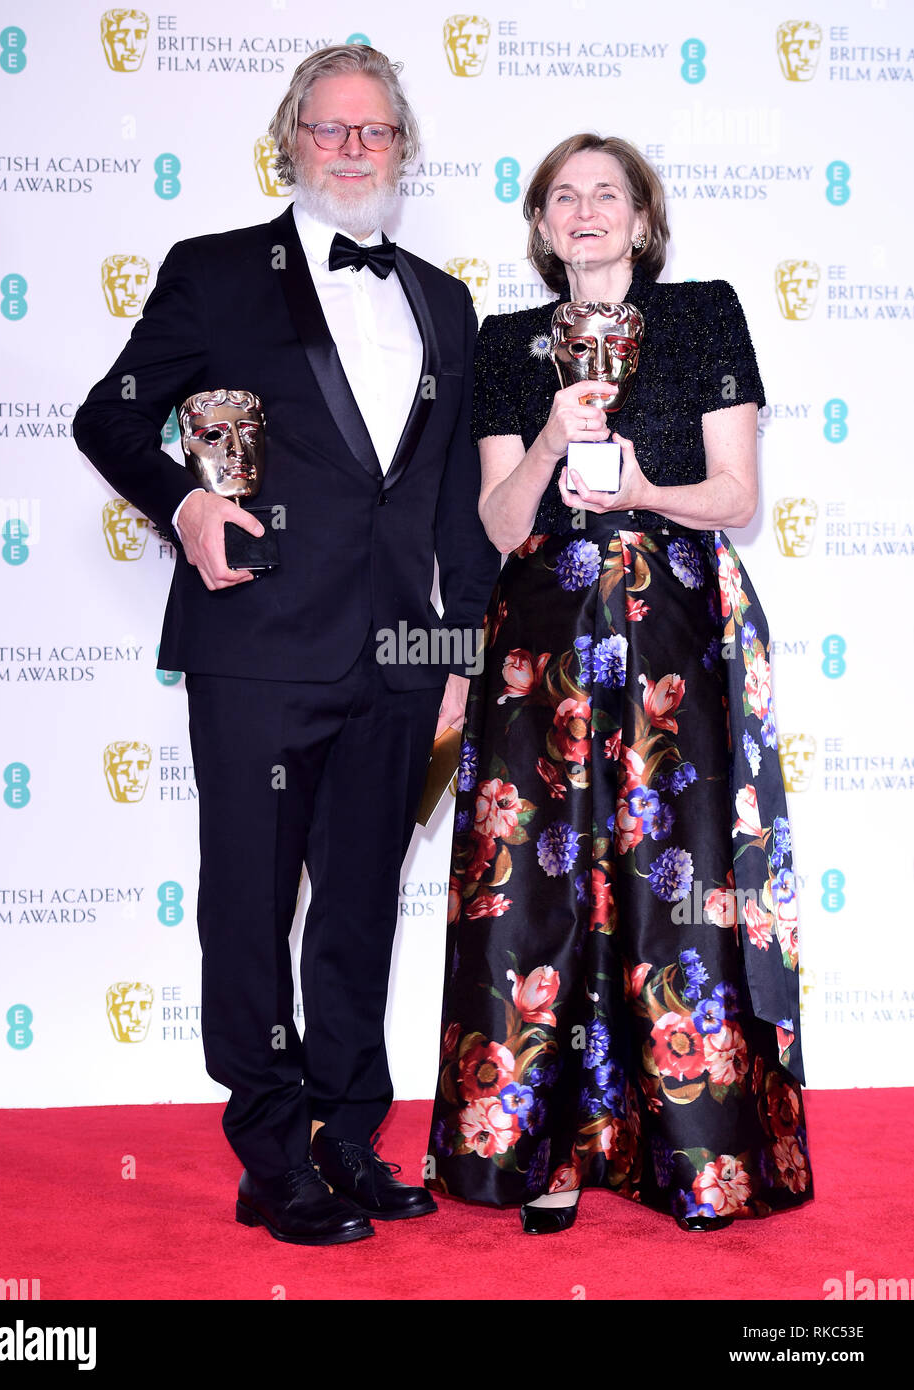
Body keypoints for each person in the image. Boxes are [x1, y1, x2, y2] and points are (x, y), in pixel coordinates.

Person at [73, 44, 497, 1247]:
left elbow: (460, 496)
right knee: (254, 907)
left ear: (402, 149)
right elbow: (107, 414)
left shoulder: (443, 298)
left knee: (362, 905)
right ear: (289, 141)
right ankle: (270, 1151)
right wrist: (186, 503)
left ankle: (350, 1133)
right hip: (255, 643)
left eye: (374, 131)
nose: (352, 149)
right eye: (329, 129)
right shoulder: (215, 274)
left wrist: (458, 641)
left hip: (401, 658)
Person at [425, 133, 813, 1234]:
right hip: (540, 640)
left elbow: (736, 495)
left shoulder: (703, 317)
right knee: (533, 886)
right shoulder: (504, 344)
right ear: (542, 226)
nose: (585, 211)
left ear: (642, 219)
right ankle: (544, 1149)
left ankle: (693, 1154)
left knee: (672, 875)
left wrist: (645, 481)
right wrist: (551, 434)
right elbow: (502, 524)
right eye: (563, 196)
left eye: (607, 194)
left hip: (671, 639)